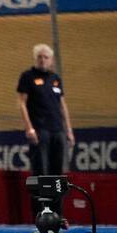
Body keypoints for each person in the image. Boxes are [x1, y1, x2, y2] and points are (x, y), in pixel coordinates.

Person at [17, 43, 73, 178]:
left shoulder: (56, 79)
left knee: (57, 171)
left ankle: (56, 199)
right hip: (40, 130)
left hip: (57, 130)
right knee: (40, 169)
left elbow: (62, 105)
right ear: (35, 59)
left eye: (46, 57)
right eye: (39, 57)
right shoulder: (27, 76)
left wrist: (69, 130)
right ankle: (41, 199)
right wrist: (29, 129)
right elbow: (21, 103)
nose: (42, 60)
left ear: (51, 60)